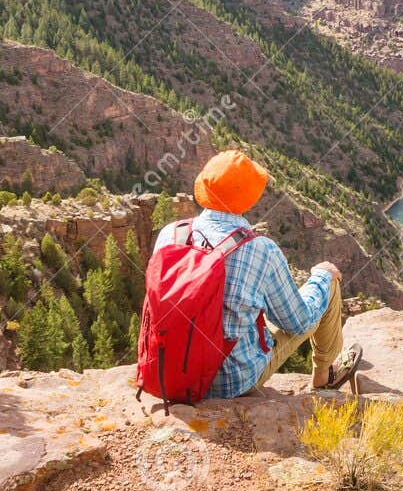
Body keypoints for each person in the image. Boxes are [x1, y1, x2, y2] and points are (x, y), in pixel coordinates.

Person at [152, 149, 361, 397]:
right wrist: (322, 276)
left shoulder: (171, 234)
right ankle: (323, 378)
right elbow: (299, 323)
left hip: (171, 374)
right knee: (327, 284)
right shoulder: (260, 249)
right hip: (230, 382)